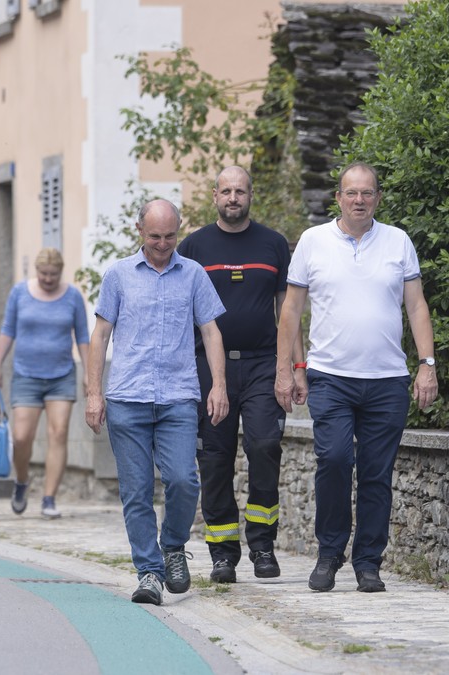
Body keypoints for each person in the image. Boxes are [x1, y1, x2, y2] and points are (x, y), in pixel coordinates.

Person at [275, 161, 438, 593]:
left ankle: (368, 562)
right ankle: (329, 553)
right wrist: (287, 370)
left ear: (378, 198)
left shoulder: (398, 241)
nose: (359, 200)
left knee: (375, 473)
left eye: (367, 193)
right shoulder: (313, 241)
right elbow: (290, 310)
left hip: (387, 380)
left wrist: (427, 363)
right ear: (339, 198)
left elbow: (416, 306)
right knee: (333, 460)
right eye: (351, 192)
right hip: (330, 377)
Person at [85, 198, 229, 606]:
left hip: (178, 396)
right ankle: (149, 572)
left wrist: (219, 385)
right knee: (137, 491)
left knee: (184, 480)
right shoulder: (118, 275)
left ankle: (174, 546)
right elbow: (100, 335)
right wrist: (94, 393)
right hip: (127, 397)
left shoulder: (194, 274)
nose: (163, 244)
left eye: (170, 236)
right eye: (154, 237)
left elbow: (211, 332)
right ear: (139, 231)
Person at [176, 166, 303, 583]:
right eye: (227, 191)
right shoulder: (193, 247)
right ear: (215, 196)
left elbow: (288, 313)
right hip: (208, 368)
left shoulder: (273, 244)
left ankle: (263, 545)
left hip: (264, 363)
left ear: (251, 196)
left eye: (241, 191)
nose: (233, 198)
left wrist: (296, 368)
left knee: (265, 446)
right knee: (215, 459)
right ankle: (223, 553)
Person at [0, 248, 90, 519]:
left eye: (53, 274)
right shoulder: (19, 293)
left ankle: (49, 498)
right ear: (36, 270)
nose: (48, 279)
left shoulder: (72, 296)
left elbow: (82, 336)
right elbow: (7, 330)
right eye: (43, 273)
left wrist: (88, 373)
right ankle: (22, 481)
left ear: (61, 271)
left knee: (58, 433)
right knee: (21, 437)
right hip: (26, 375)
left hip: (61, 375)